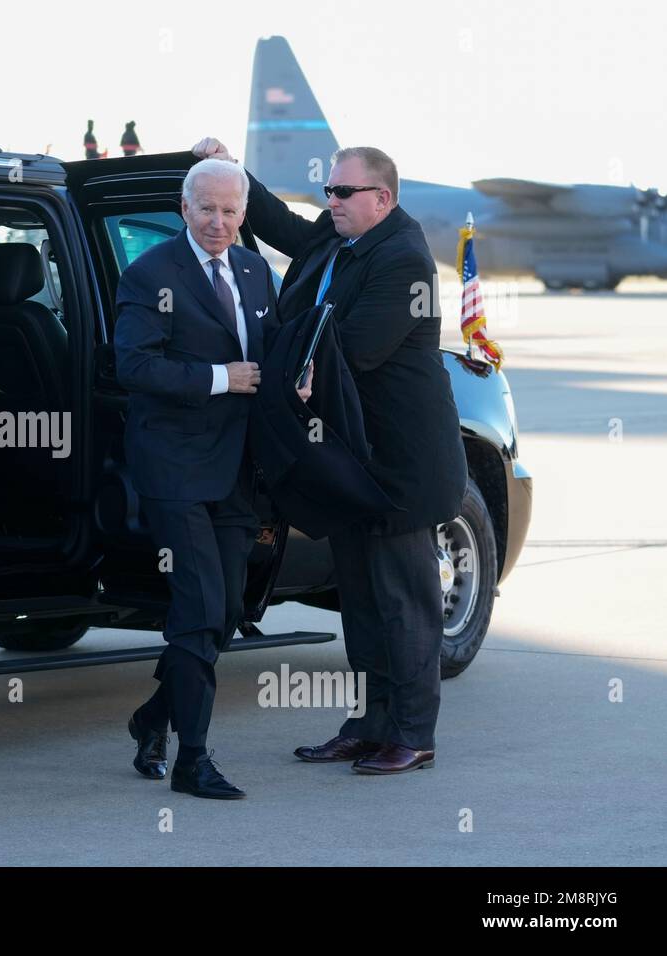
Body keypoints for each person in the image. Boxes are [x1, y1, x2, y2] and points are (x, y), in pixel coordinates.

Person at [194, 138, 467, 774]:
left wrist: (289, 359)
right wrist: (235, 172)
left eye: (343, 193)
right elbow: (281, 225)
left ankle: (412, 733)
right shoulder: (340, 234)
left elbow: (356, 346)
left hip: (400, 462)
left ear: (382, 199)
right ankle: (370, 724)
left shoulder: (401, 259)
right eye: (329, 191)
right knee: (364, 601)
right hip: (350, 459)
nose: (331, 202)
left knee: (406, 602)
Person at [115, 158, 310, 799]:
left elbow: (273, 349)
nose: (220, 222)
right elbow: (135, 367)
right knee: (197, 609)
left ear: (244, 214)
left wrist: (296, 378)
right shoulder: (150, 275)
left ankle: (150, 717)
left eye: (231, 211)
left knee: (225, 610)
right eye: (208, 209)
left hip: (237, 471)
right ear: (184, 207)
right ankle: (191, 760)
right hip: (174, 467)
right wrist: (223, 376)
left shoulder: (256, 271)